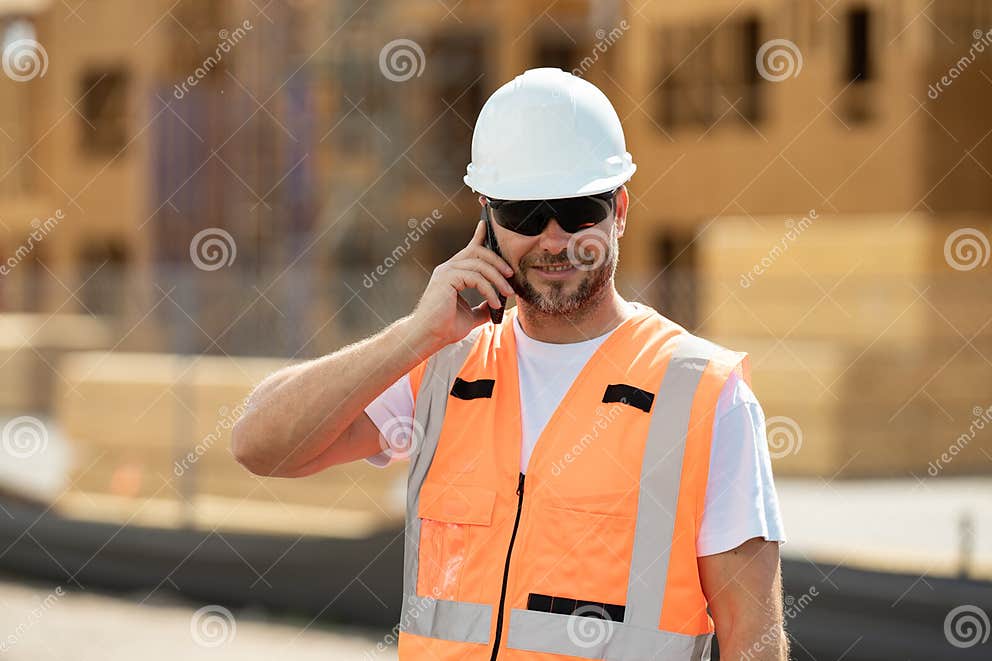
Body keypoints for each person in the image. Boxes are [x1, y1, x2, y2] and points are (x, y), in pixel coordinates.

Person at [233, 67, 788, 660]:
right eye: (526, 214)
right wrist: (416, 334)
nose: (553, 240)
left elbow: (752, 638)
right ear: (487, 218)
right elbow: (259, 446)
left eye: (578, 210)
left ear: (618, 209)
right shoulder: (440, 370)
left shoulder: (702, 395)